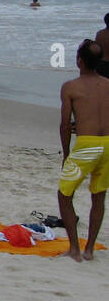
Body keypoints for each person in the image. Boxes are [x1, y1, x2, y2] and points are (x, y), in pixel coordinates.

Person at [58, 39, 109, 261]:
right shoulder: (108, 84)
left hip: (86, 145)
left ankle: (74, 250)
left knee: (65, 194)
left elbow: (64, 125)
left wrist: (66, 153)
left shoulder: (71, 87)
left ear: (79, 60)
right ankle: (89, 249)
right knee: (99, 196)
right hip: (107, 143)